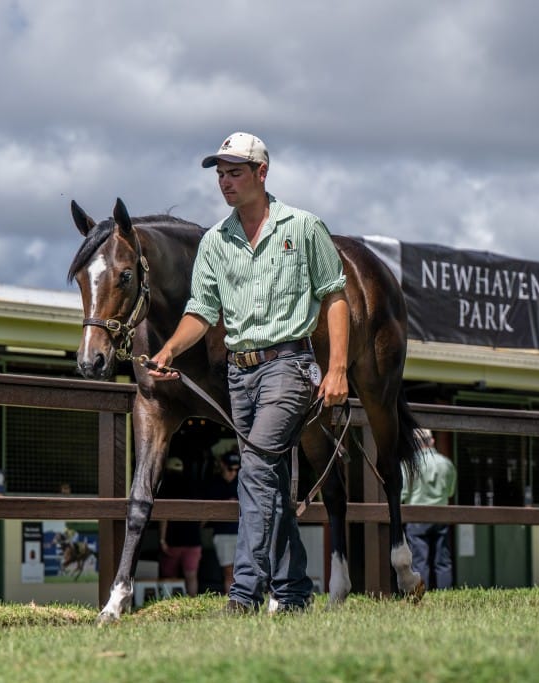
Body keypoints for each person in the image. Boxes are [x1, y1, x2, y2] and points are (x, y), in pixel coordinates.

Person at [148, 131, 349, 614]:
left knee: (255, 472)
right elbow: (201, 310)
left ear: (262, 172)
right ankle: (296, 591)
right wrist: (169, 351)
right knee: (271, 481)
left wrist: (337, 368)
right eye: (219, 173)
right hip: (240, 376)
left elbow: (335, 296)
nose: (224, 181)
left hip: (290, 365)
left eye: (234, 171)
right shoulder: (216, 242)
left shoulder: (303, 227)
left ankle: (243, 593)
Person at [401, 428, 457, 590]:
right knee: (443, 560)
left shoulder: (409, 464)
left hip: (417, 516)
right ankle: (445, 593)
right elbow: (451, 491)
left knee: (419, 560)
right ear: (432, 441)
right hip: (442, 515)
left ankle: (421, 594)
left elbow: (402, 493)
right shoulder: (446, 463)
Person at [157, 456, 203, 596]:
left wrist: (162, 539)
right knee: (191, 576)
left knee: (169, 576)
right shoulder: (195, 486)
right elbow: (207, 512)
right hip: (193, 540)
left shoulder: (165, 486)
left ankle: (167, 606)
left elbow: (164, 516)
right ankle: (193, 606)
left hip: (173, 539)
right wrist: (196, 527)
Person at [204, 450, 241, 594]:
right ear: (223, 466)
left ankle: (243, 600)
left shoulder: (243, 483)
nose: (233, 472)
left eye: (237, 469)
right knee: (228, 571)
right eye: (230, 468)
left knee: (244, 571)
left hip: (242, 533)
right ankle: (232, 600)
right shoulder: (214, 484)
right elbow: (207, 510)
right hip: (222, 534)